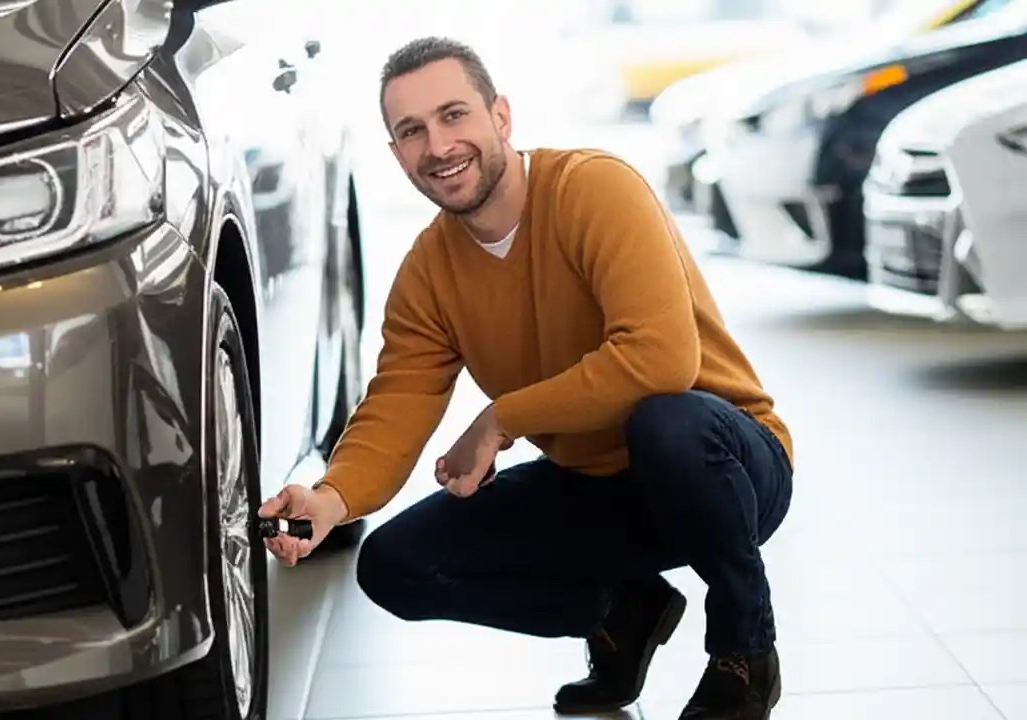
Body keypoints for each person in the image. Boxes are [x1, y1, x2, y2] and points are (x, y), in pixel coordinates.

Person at [258, 36, 794, 720]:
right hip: (595, 484)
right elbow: (396, 404)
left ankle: (745, 655)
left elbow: (661, 360)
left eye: (454, 116)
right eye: (412, 131)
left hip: (726, 467)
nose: (438, 145)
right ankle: (621, 608)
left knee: (668, 419)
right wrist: (331, 500)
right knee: (395, 564)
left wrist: (501, 417)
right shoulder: (428, 273)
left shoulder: (594, 187)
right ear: (396, 154)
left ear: (500, 117)